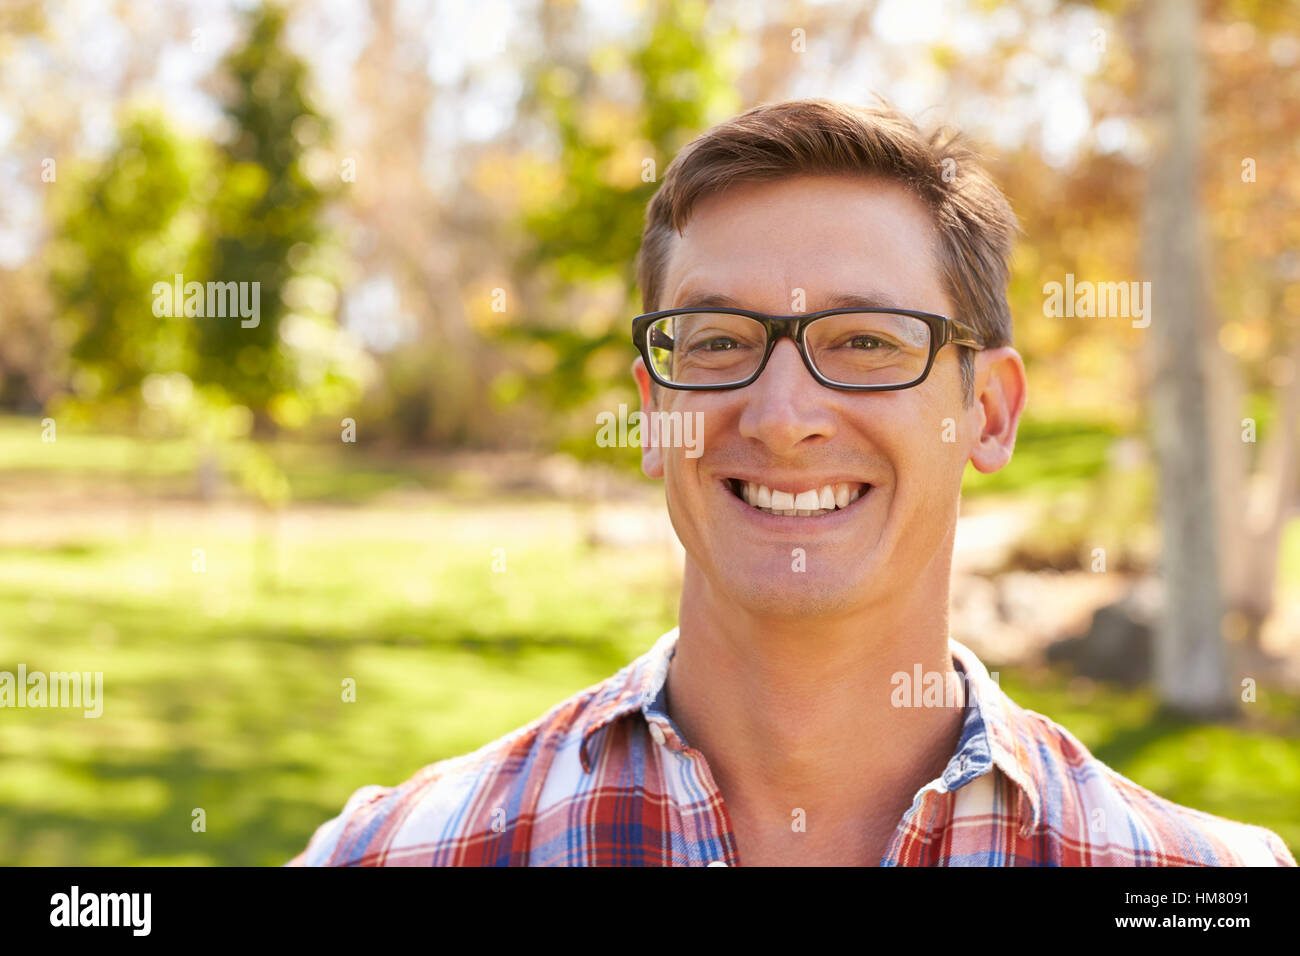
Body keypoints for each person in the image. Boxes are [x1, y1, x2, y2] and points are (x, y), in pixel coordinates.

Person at [288, 99, 1295, 866]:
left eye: (864, 341)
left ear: (987, 410)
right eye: (718, 341)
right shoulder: (393, 853)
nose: (781, 416)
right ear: (653, 410)